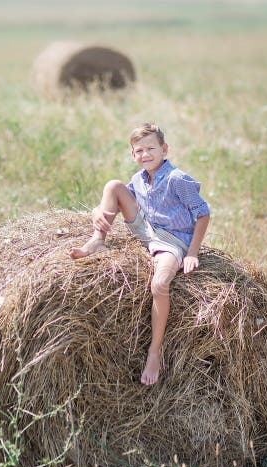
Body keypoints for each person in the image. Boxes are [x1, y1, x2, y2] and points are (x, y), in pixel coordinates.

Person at [69, 122, 210, 385]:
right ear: (133, 154)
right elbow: (121, 201)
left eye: (151, 149)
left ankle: (154, 352)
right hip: (146, 229)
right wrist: (96, 212)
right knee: (113, 185)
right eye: (139, 150)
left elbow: (202, 214)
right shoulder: (139, 179)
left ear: (164, 149)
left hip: (172, 241)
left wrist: (192, 253)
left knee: (159, 284)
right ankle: (97, 240)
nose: (145, 155)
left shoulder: (178, 179)